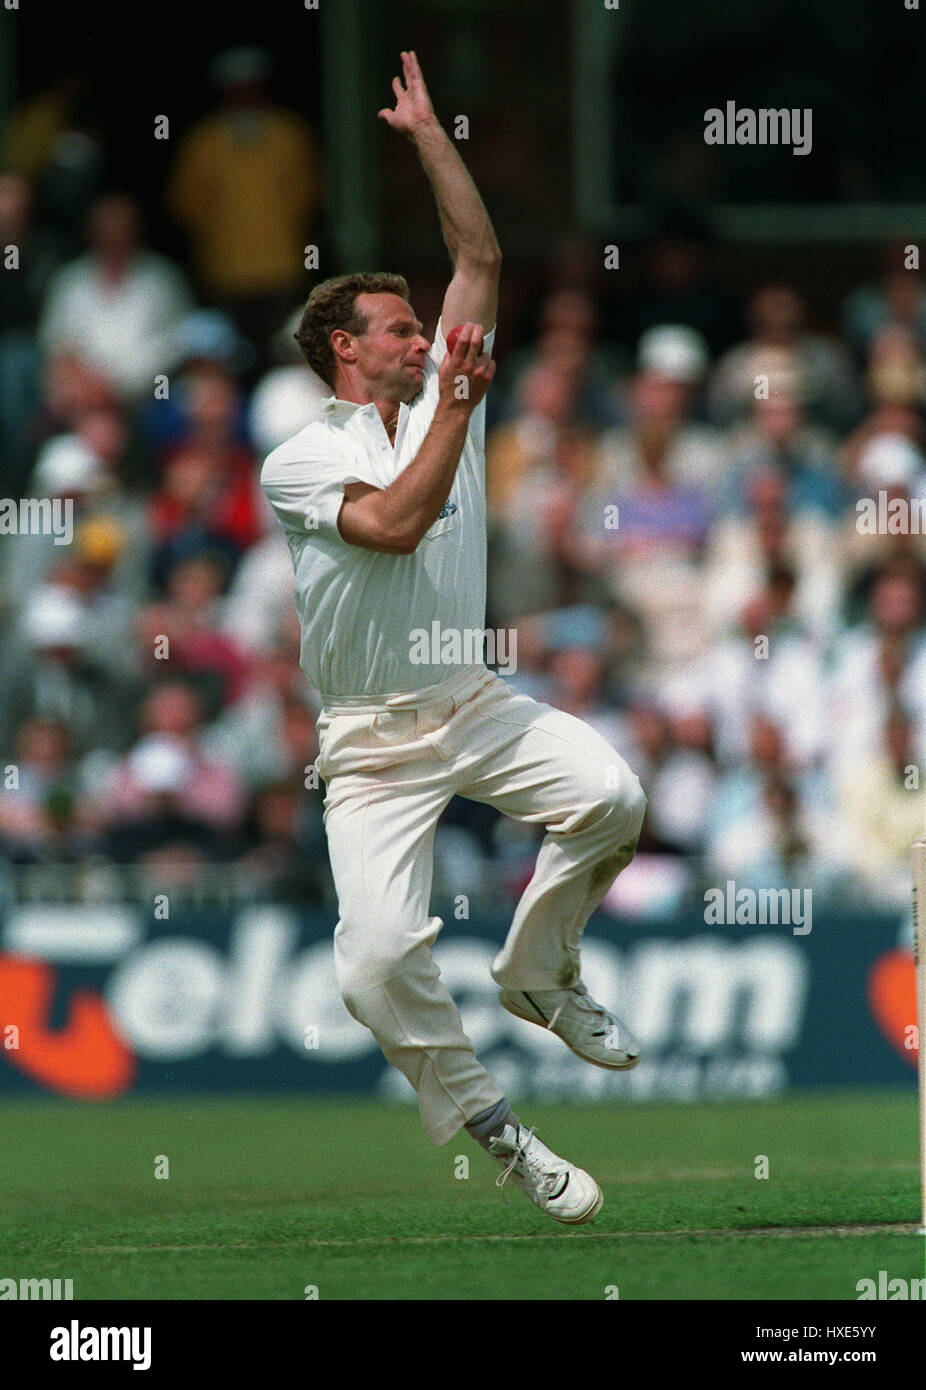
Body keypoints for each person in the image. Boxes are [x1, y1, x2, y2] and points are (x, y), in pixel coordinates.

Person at [260, 52, 647, 1226]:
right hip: (371, 744)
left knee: (613, 797)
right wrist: (463, 410)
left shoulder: (445, 392)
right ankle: (501, 1135)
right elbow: (393, 522)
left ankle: (537, 968)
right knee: (372, 966)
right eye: (398, 329)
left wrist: (429, 134)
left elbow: (478, 255)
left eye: (424, 328)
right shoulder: (302, 455)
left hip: (469, 700)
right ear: (346, 348)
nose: (424, 337)